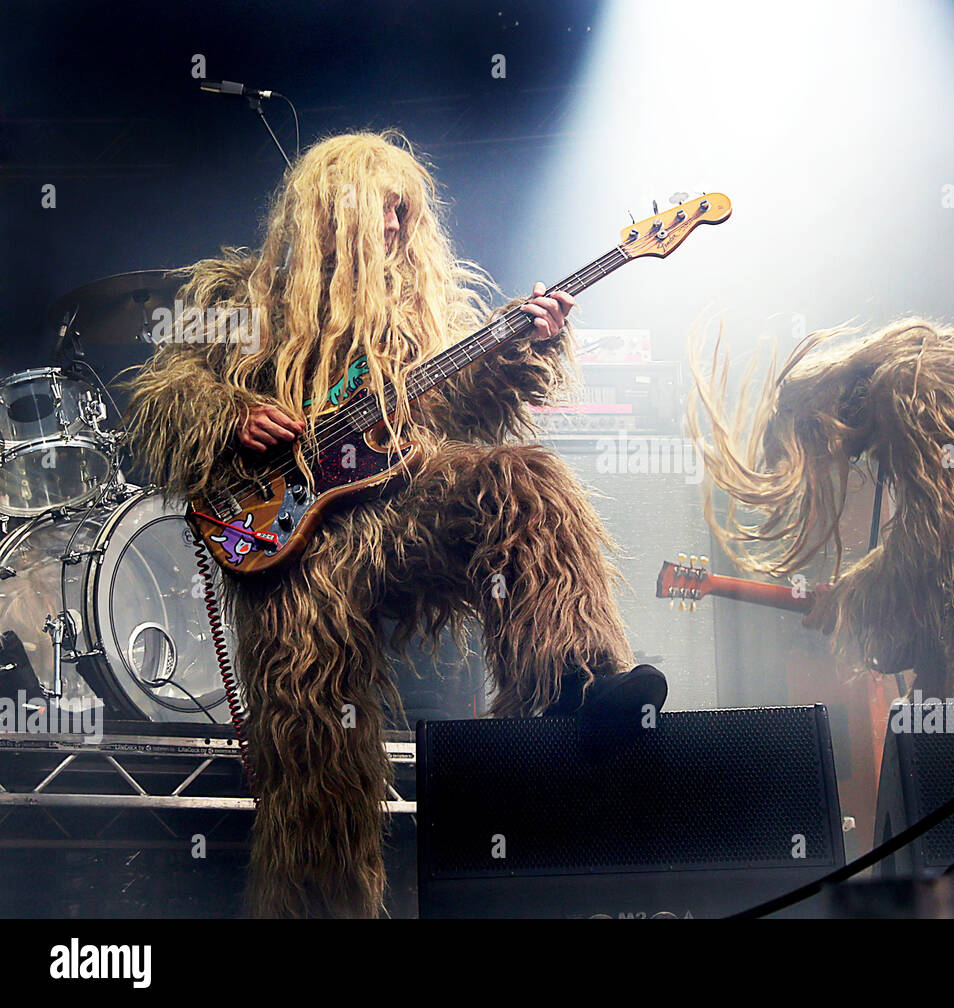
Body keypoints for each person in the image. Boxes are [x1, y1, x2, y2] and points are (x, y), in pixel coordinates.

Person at [123, 130, 666, 918]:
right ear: (322, 211)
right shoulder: (236, 300)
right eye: (378, 205)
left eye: (404, 210)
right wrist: (231, 414)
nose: (392, 224)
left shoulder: (419, 315)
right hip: (291, 549)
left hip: (402, 505)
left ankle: (577, 687)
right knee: (315, 759)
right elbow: (160, 396)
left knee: (524, 483)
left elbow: (471, 412)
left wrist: (521, 349)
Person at [688, 318, 954, 702]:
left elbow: (941, 532)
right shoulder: (919, 373)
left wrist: (854, 598)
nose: (840, 461)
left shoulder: (908, 387)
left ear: (819, 421)